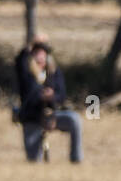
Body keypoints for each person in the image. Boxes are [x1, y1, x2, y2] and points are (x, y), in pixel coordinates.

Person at [14, 33, 83, 163]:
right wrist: (30, 44)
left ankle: (76, 159)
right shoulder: (26, 71)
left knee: (74, 119)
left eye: (42, 53)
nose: (40, 56)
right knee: (34, 161)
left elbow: (62, 96)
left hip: (53, 115)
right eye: (36, 53)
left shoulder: (54, 72)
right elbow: (20, 60)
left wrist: (52, 97)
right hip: (32, 117)